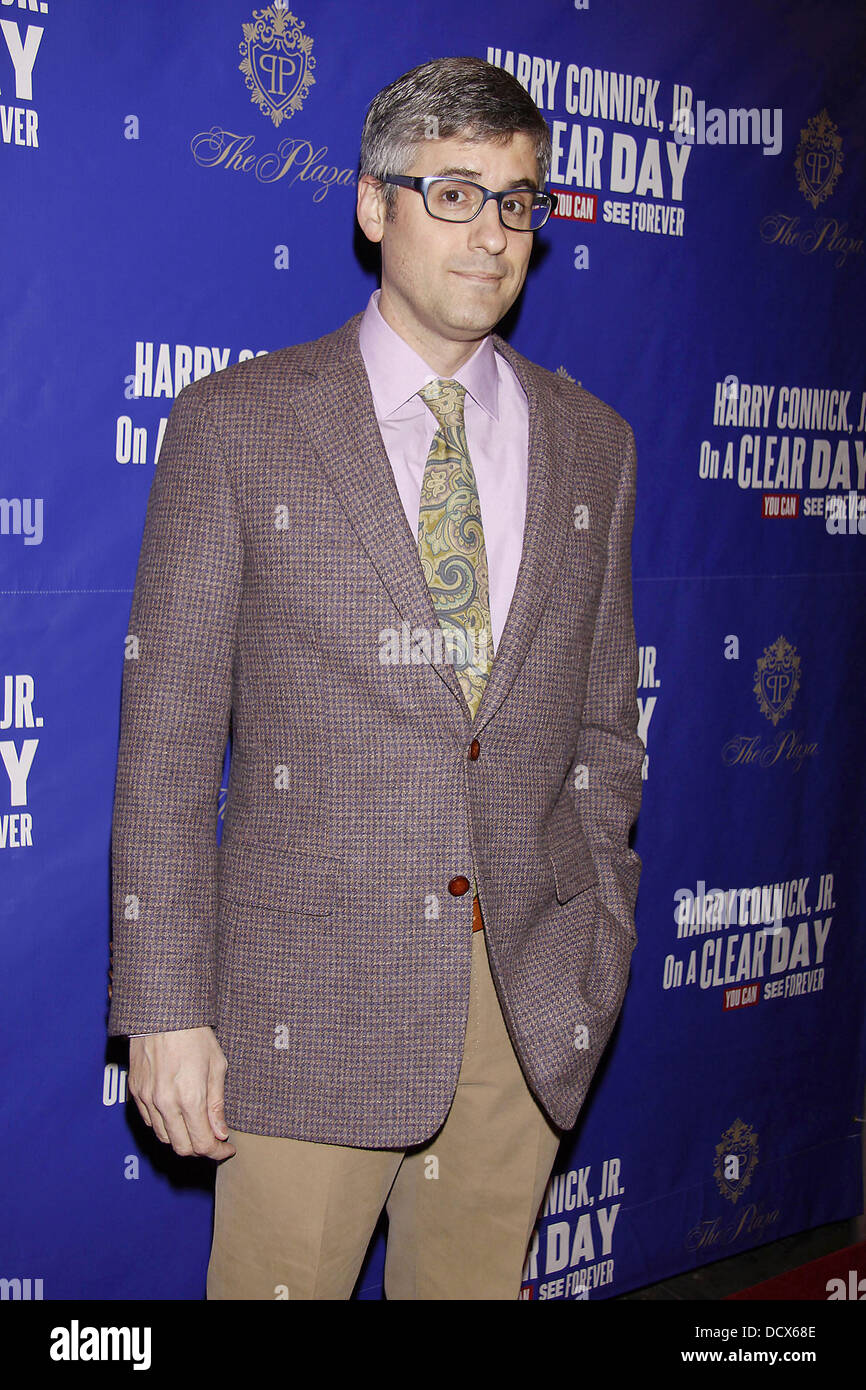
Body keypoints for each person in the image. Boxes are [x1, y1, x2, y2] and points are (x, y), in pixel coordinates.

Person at [108, 54, 644, 1301]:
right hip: (305, 1006)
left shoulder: (594, 444)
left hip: (521, 1005)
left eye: (516, 200)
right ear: (371, 205)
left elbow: (602, 734)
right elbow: (170, 741)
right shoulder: (236, 425)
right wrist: (165, 1007)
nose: (492, 231)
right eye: (452, 191)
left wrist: (594, 941)